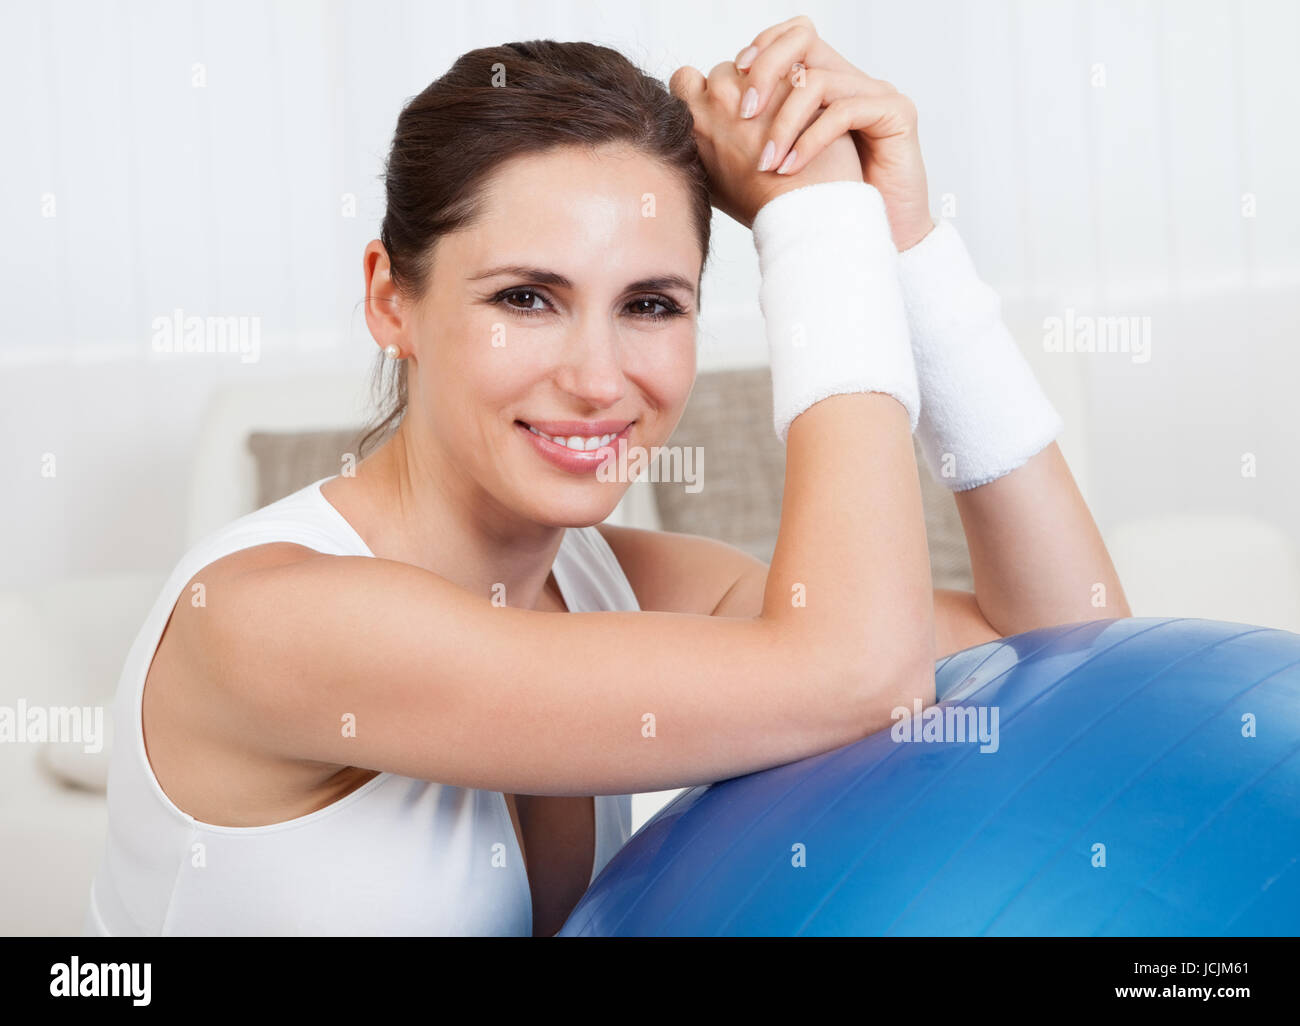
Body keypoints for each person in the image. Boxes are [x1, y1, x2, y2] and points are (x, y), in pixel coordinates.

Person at [85, 18, 1129, 938]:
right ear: (389, 300)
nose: (596, 379)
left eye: (650, 305)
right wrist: (819, 227)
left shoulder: (613, 587)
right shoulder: (271, 619)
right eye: (527, 298)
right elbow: (857, 673)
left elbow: (1072, 655)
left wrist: (908, 249)